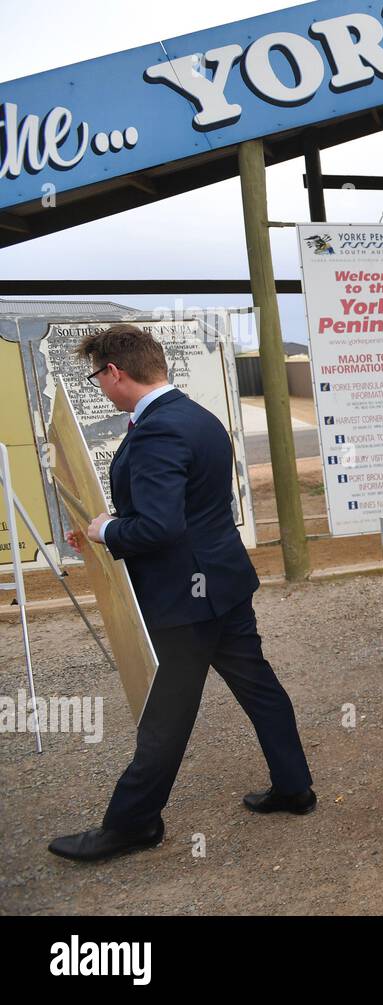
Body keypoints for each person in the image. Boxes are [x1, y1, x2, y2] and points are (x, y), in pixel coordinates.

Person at [50, 325, 314, 863]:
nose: (100, 386)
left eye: (97, 376)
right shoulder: (196, 416)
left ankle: (133, 825)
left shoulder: (156, 432)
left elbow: (161, 526)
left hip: (184, 599)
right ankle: (294, 788)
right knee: (260, 688)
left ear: (114, 372)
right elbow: (185, 510)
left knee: (166, 715)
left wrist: (109, 531)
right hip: (222, 584)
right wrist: (107, 529)